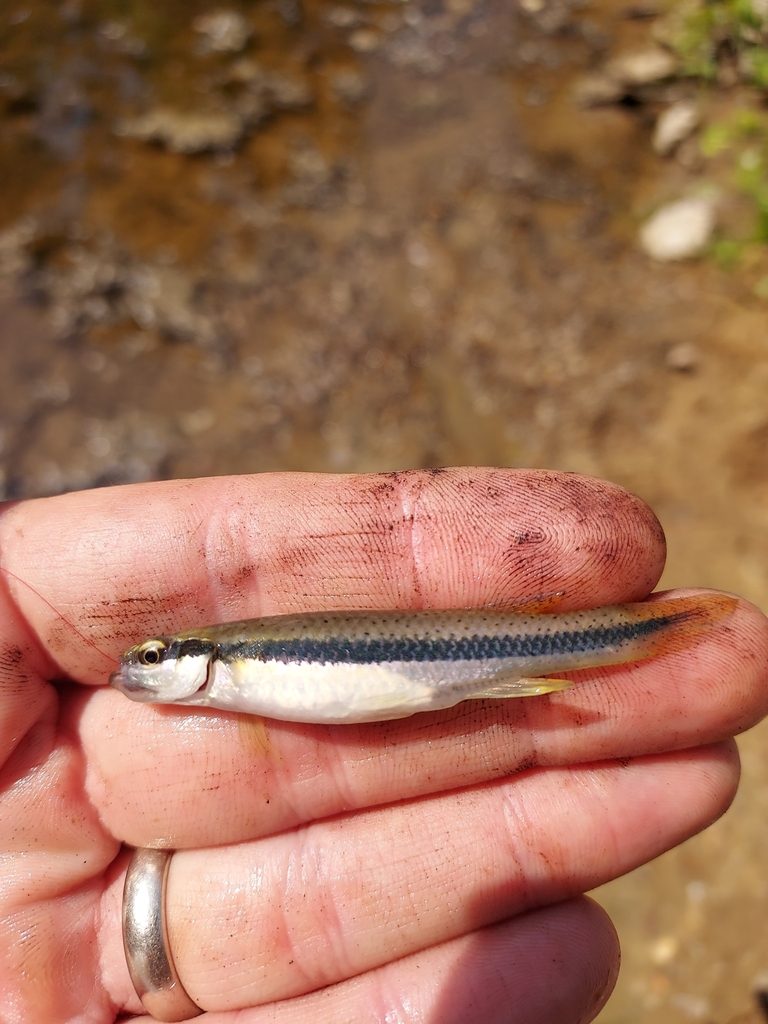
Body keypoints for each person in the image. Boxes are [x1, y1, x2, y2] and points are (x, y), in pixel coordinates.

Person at [1, 467, 766, 1024]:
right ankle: (658, 632)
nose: (141, 669)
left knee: (607, 647)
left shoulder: (234, 659)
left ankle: (662, 631)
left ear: (200, 655)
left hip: (453, 657)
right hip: (441, 667)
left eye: (156, 655)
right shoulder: (227, 673)